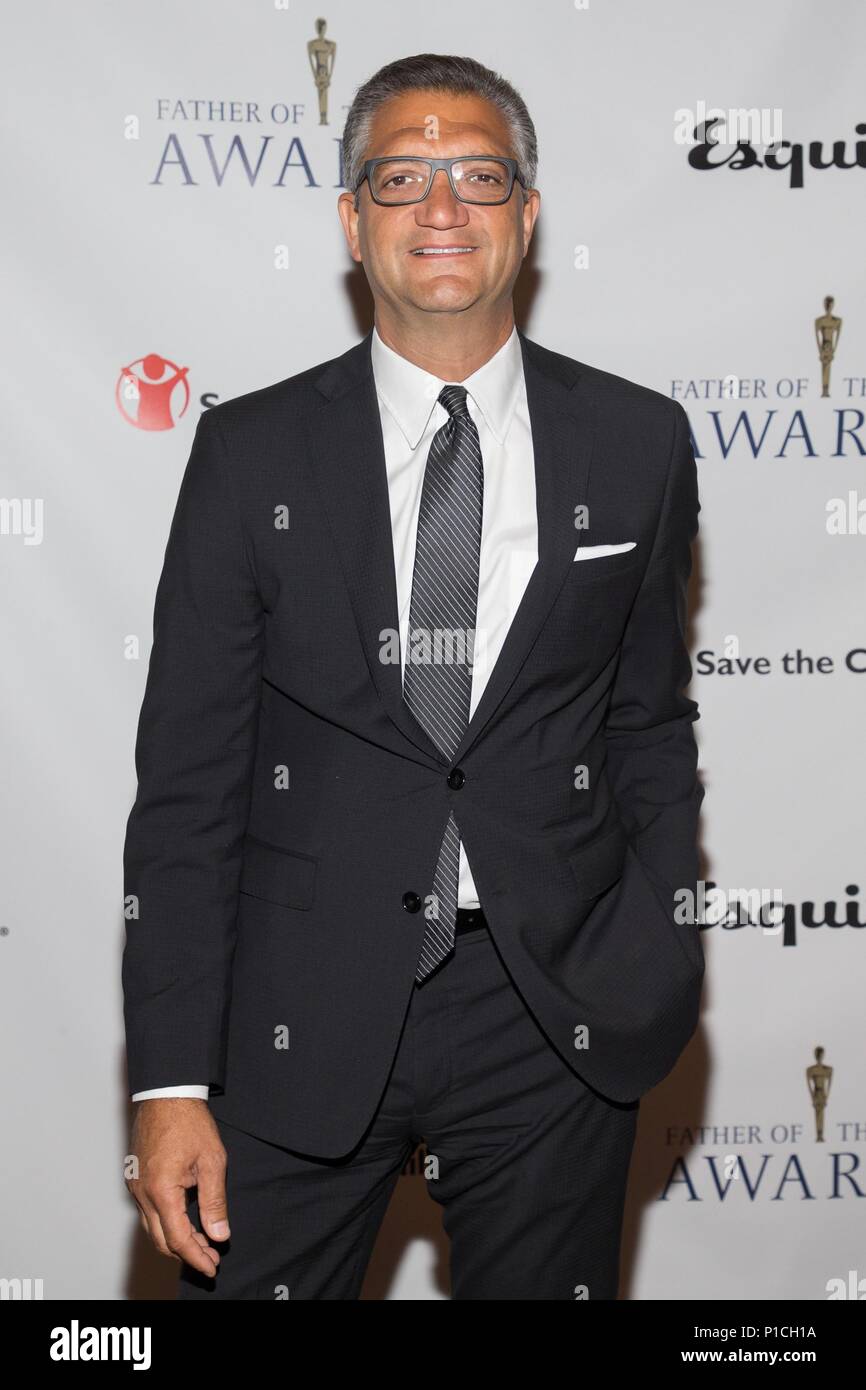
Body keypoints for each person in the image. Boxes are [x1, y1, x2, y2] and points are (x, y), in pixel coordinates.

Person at [123, 52, 705, 1301]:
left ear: (526, 213)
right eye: (401, 178)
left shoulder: (639, 440)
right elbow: (186, 783)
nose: (441, 208)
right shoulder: (247, 450)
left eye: (476, 175)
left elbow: (649, 722)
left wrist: (655, 942)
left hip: (550, 1012)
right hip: (290, 1012)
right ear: (351, 222)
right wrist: (171, 1080)